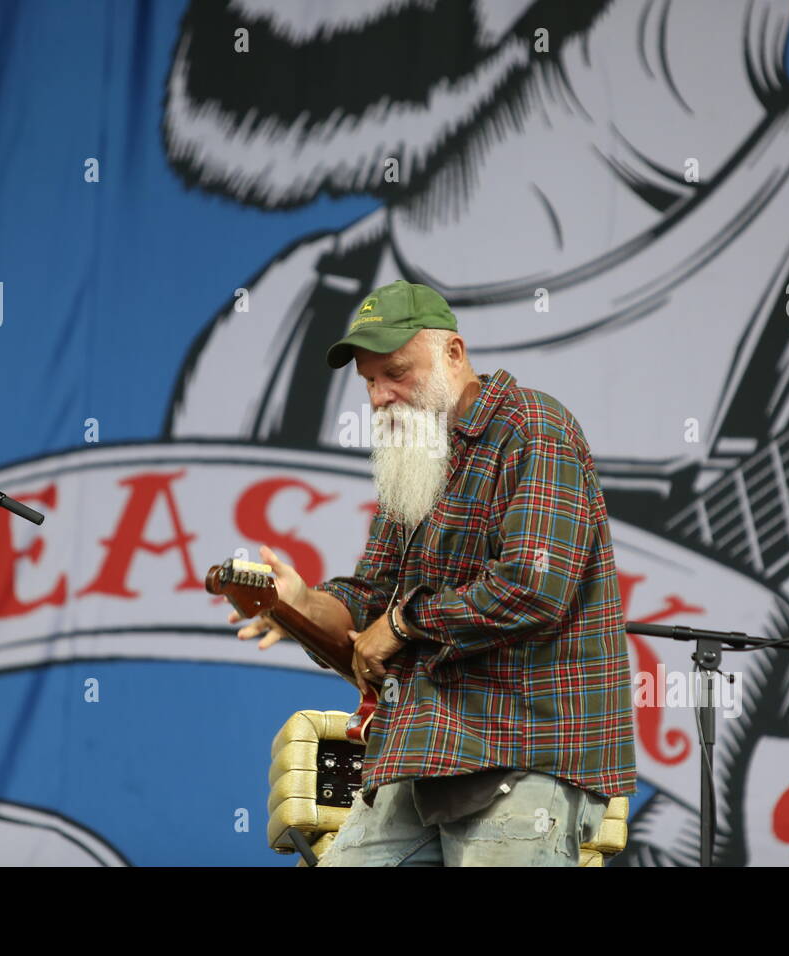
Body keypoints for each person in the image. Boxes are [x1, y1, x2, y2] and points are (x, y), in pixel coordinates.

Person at [229, 279, 635, 865]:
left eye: (396, 372)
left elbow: (532, 587)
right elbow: (367, 599)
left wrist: (401, 624)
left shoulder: (534, 427)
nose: (379, 397)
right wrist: (296, 604)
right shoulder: (416, 460)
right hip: (422, 755)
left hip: (523, 755)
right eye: (369, 382)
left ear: (454, 353)